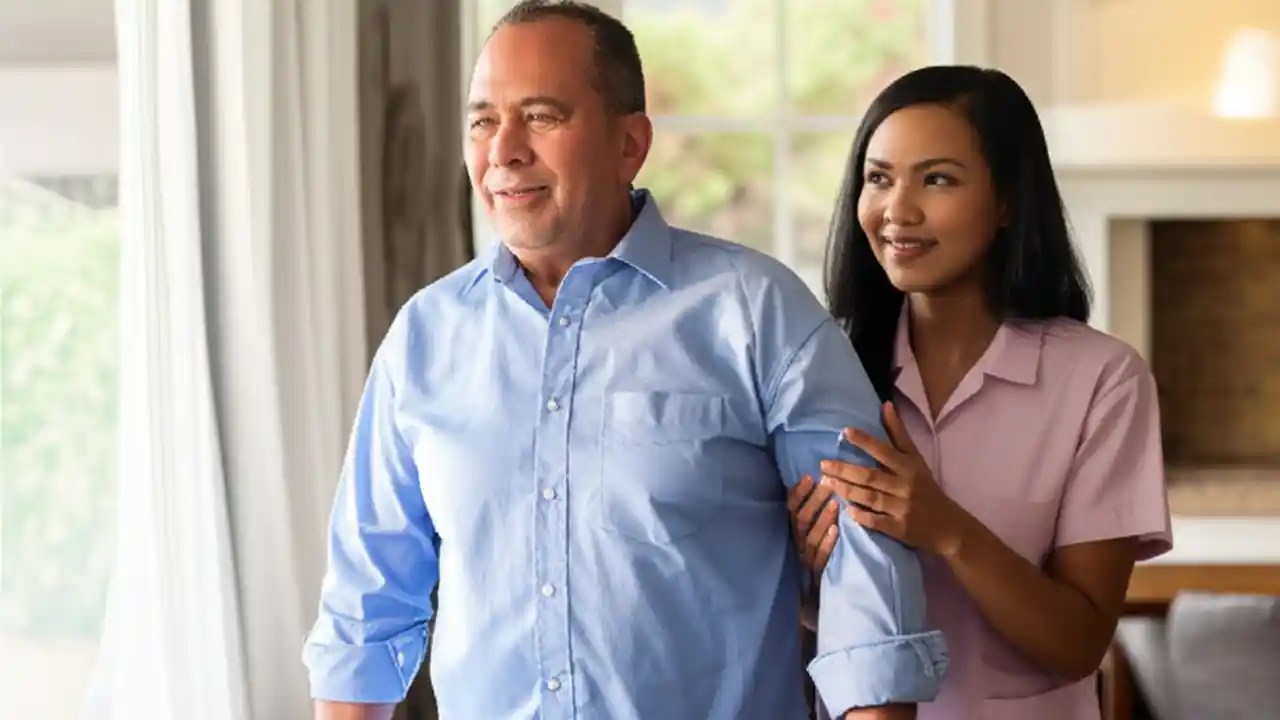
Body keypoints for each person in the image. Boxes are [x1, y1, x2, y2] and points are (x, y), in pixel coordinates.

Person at [302, 2, 947, 719]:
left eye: (542, 116)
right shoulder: (423, 338)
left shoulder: (756, 311)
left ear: (629, 143)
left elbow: (869, 573)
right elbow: (366, 609)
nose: (504, 150)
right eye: (483, 120)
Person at [788, 65, 1172, 719]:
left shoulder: (1102, 381)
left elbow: (1080, 643)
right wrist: (798, 576)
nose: (897, 210)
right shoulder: (817, 367)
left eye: (937, 179)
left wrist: (948, 530)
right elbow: (795, 641)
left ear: (1006, 203)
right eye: (879, 177)